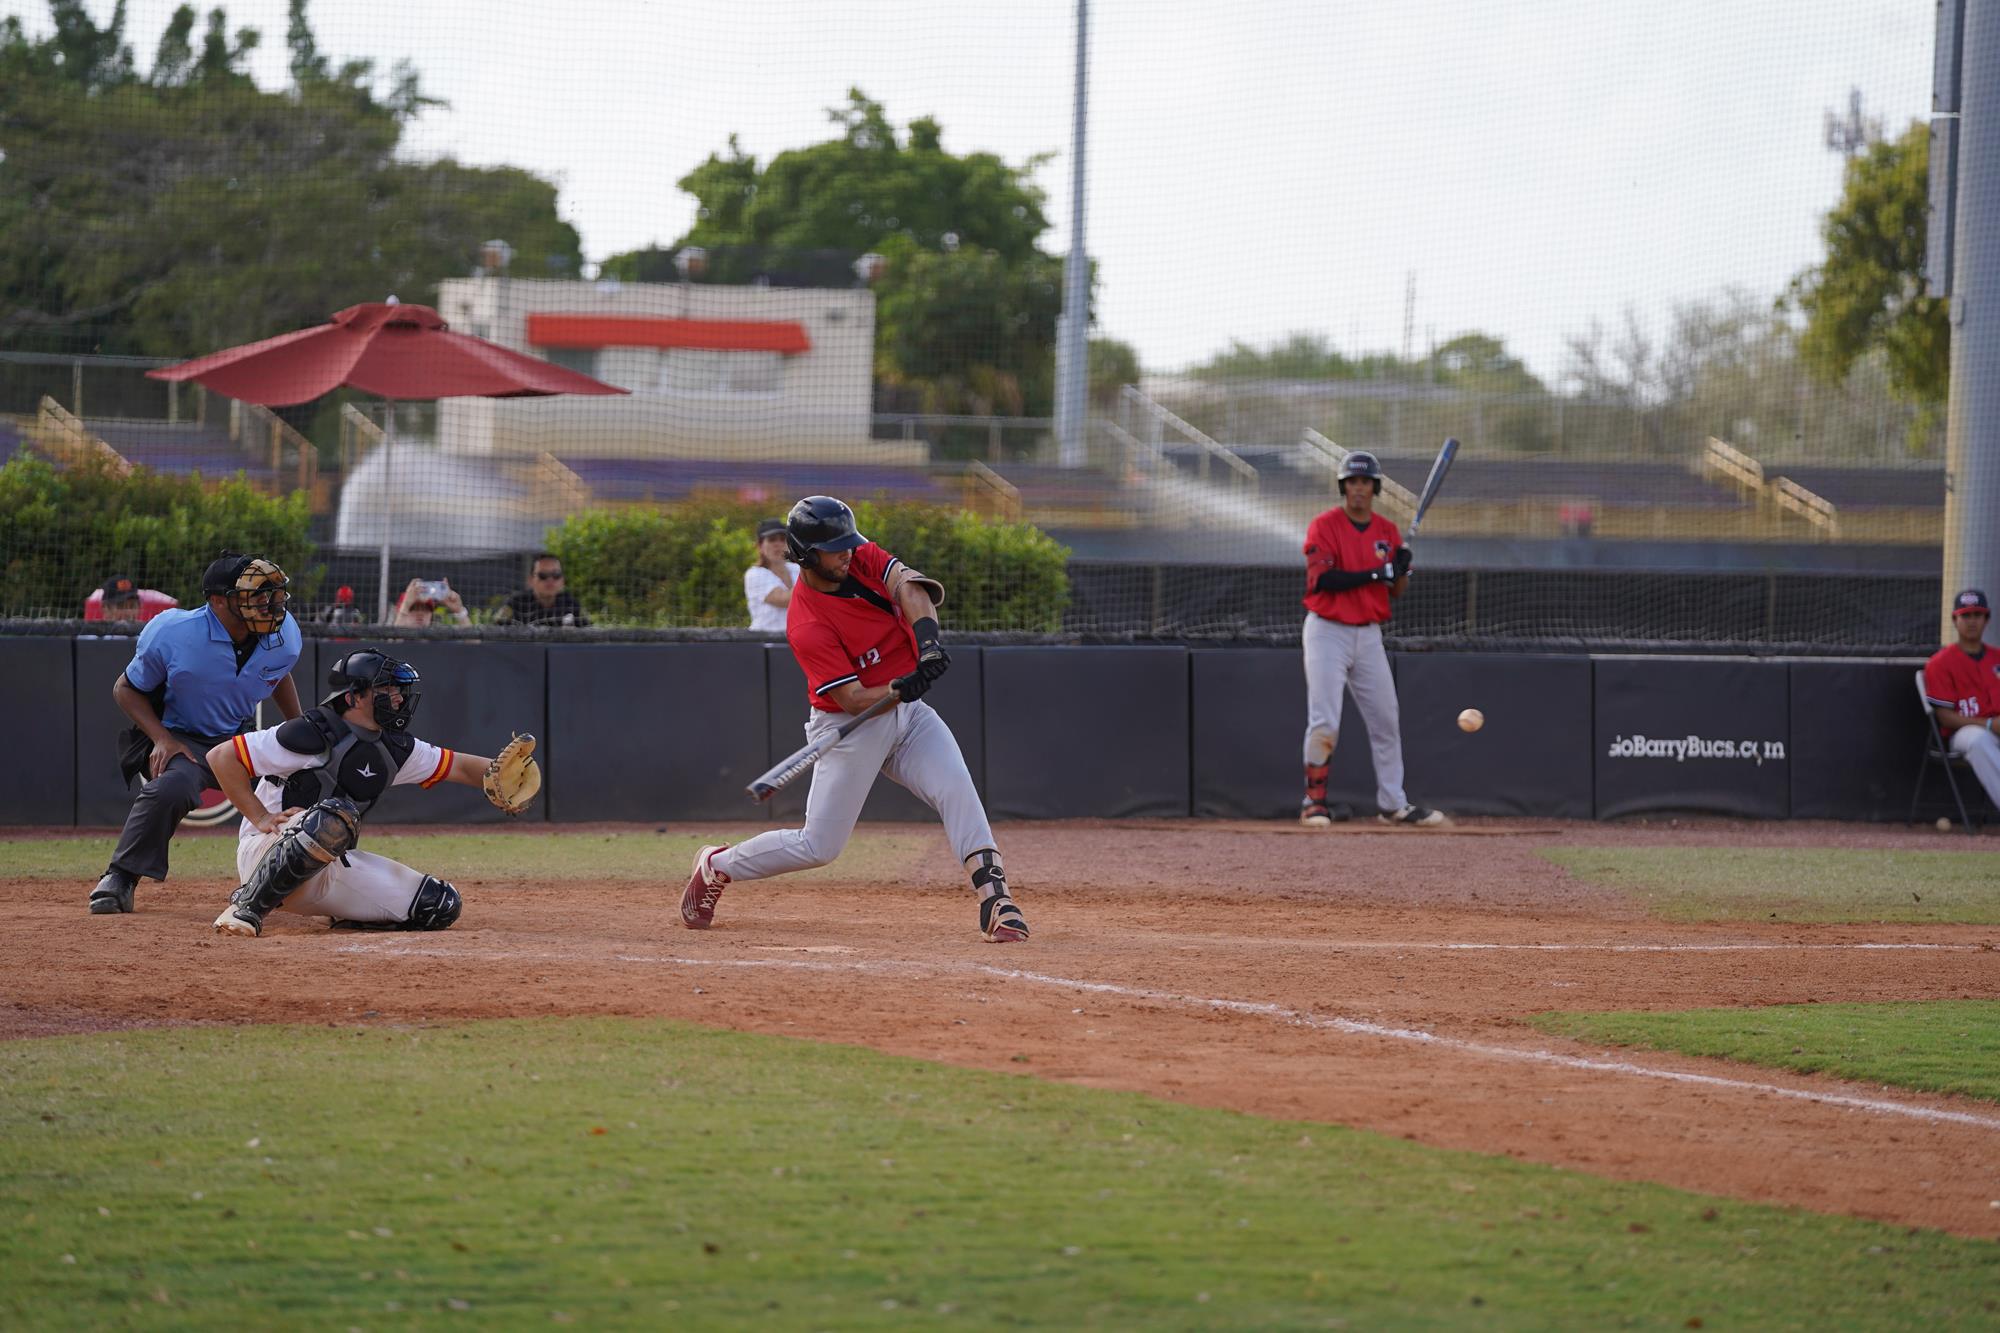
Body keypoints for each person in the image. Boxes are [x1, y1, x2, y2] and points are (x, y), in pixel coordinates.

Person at [681, 495, 1029, 944]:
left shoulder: (859, 555)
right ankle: (717, 865)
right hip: (851, 725)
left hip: (909, 715)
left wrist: (928, 646)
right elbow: (850, 697)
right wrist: (897, 687)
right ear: (806, 555)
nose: (848, 552)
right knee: (819, 847)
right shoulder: (806, 622)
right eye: (835, 547)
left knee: (957, 789)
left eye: (849, 542)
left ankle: (996, 900)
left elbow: (910, 586)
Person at [204, 649, 528, 937]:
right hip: (263, 853)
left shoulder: (396, 748)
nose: (398, 698)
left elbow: (460, 767)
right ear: (354, 697)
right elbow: (221, 757)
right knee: (334, 815)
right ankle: (247, 906)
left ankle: (341, 911)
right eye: (386, 690)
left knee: (439, 904)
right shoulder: (311, 732)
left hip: (327, 868)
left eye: (399, 690)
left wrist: (507, 777)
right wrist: (260, 816)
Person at [89, 552, 304, 914]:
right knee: (172, 787)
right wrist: (162, 739)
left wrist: (299, 733)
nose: (268, 604)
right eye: (254, 595)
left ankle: (292, 880)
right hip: (181, 736)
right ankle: (120, 876)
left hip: (237, 738)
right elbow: (124, 689)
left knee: (304, 782)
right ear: (218, 600)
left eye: (270, 594)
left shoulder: (283, 632)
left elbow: (278, 671)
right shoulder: (173, 631)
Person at [1298, 451, 1447, 828]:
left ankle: (1393, 804)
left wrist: (1401, 568)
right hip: (1327, 630)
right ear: (1343, 486)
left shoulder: (1387, 532)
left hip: (1368, 634)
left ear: (1375, 487)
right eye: (1352, 482)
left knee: (1386, 719)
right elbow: (1325, 580)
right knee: (1325, 720)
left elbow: (1396, 590)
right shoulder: (1324, 525)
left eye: (1365, 482)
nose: (1358, 489)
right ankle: (1313, 802)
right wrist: (1380, 571)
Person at [1923, 588, 2000, 814]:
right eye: (1965, 615)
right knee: (1978, 741)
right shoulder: (1940, 663)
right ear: (1955, 620)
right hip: (1965, 732)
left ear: (1987, 619)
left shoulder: (1997, 658)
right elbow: (1944, 717)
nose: (1972, 621)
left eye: (1977, 615)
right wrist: (1988, 725)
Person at [493, 553, 590, 627]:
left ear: (562, 580)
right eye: (543, 576)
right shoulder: (516, 604)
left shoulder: (572, 605)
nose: (550, 580)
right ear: (530, 580)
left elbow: (590, 634)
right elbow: (495, 632)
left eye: (556, 575)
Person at [743, 517, 799, 632]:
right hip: (764, 643)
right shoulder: (754, 574)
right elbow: (783, 600)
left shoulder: (798, 569)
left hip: (795, 640)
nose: (778, 544)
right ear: (760, 546)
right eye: (772, 540)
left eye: (783, 539)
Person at [83, 574, 178, 623]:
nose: (129, 612)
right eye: (121, 606)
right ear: (105, 608)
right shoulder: (88, 640)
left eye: (132, 606)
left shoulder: (148, 643)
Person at [390, 577, 472, 627]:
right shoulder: (394, 642)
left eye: (425, 609)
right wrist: (406, 605)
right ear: (401, 611)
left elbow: (473, 646)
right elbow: (391, 647)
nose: (420, 614)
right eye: (413, 609)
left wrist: (460, 612)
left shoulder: (438, 641)